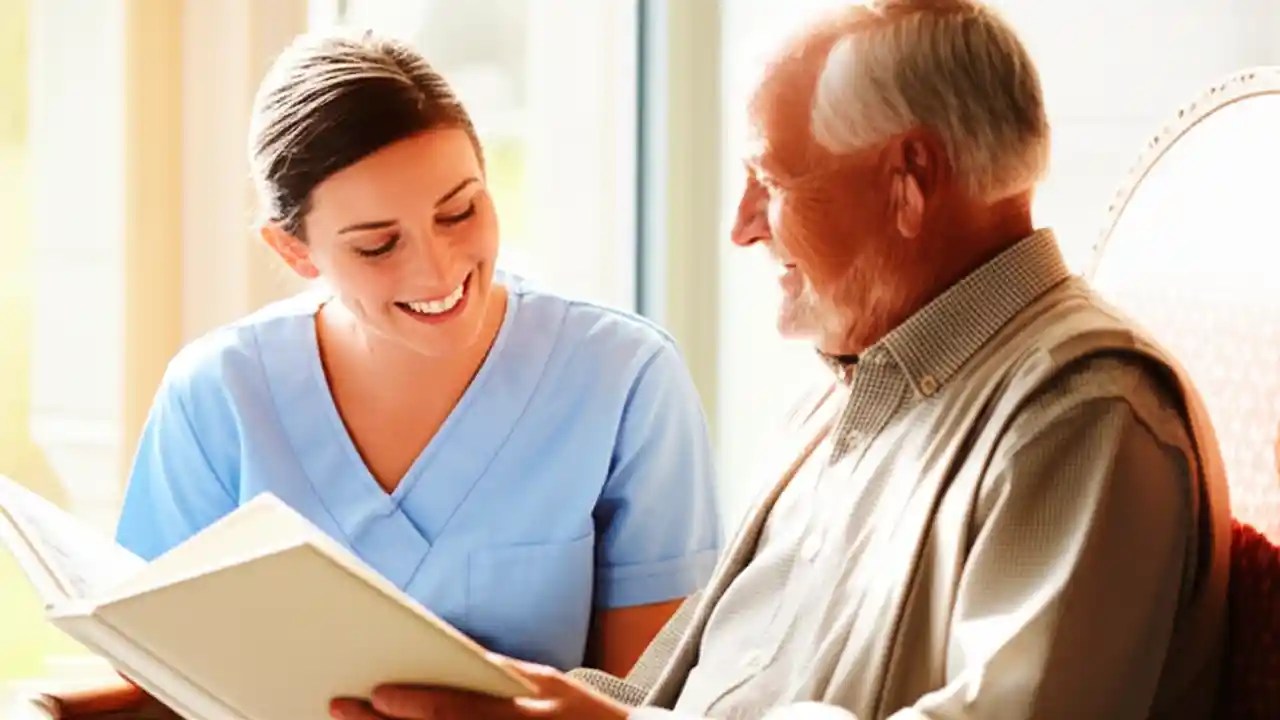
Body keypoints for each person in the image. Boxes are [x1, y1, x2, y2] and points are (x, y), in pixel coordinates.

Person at [328, 1, 1233, 719]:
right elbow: (676, 702)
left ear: (908, 180)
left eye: (771, 178)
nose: (742, 224)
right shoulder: (838, 402)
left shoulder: (1082, 415)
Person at [114, 29, 722, 679]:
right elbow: (157, 674)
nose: (436, 270)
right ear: (293, 250)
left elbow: (654, 697)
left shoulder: (623, 378)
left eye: (459, 211)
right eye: (378, 245)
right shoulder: (216, 396)